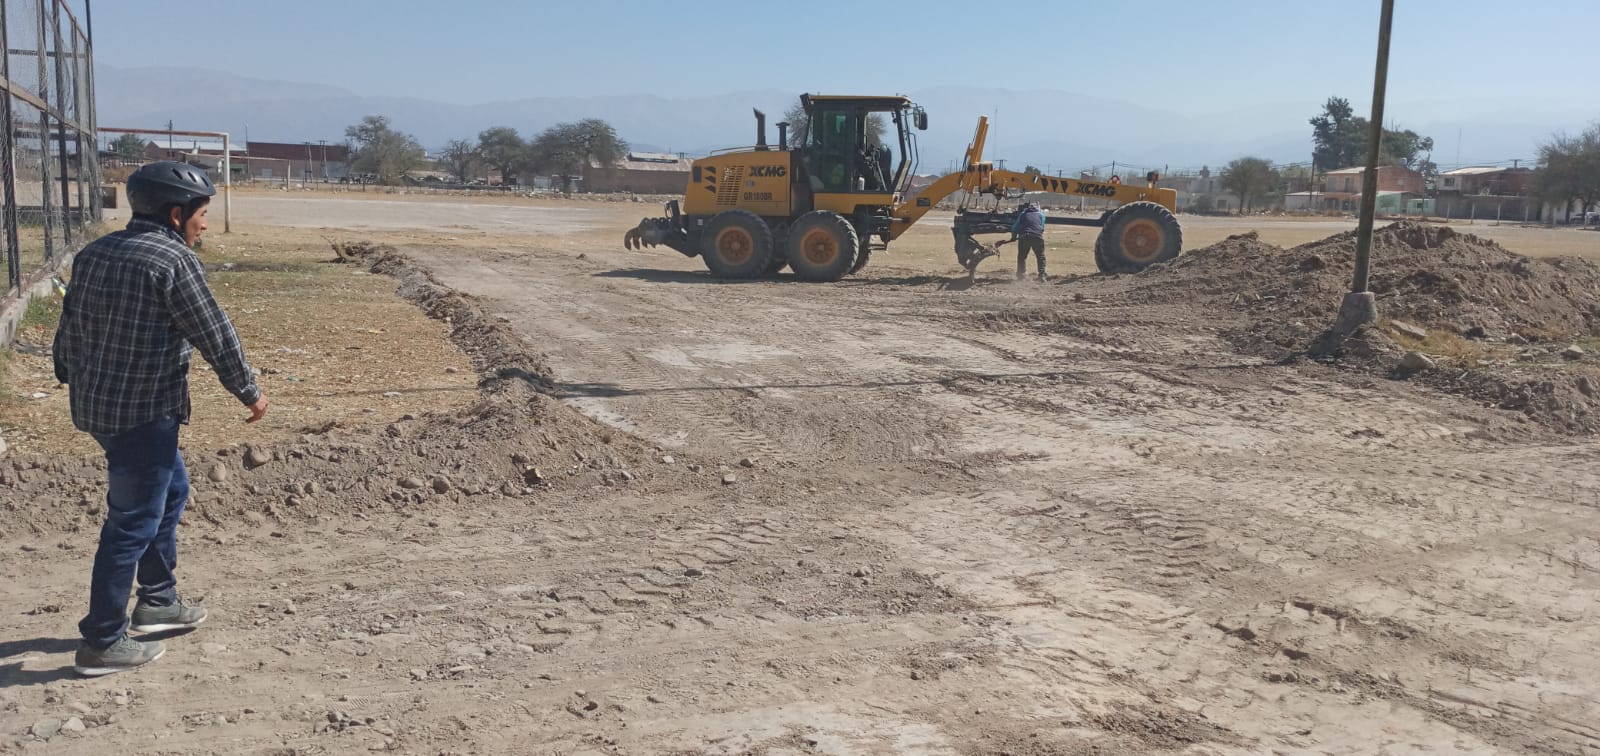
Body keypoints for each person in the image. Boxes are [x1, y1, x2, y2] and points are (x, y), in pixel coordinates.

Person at [53, 161, 268, 676]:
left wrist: (68, 372)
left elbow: (71, 326)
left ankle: (158, 601)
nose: (205, 224)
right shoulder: (172, 260)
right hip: (144, 411)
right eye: (202, 213)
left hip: (98, 406)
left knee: (171, 490)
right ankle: (103, 640)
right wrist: (249, 391)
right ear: (176, 214)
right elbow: (213, 331)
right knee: (132, 522)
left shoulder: (95, 253)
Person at [1010, 201, 1048, 281]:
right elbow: (1041, 227)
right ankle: (1042, 275)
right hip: (1037, 236)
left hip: (1024, 236)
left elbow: (1015, 227)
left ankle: (1021, 276)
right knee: (1040, 256)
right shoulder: (1041, 215)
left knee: (1022, 257)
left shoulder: (1023, 214)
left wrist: (1013, 237)